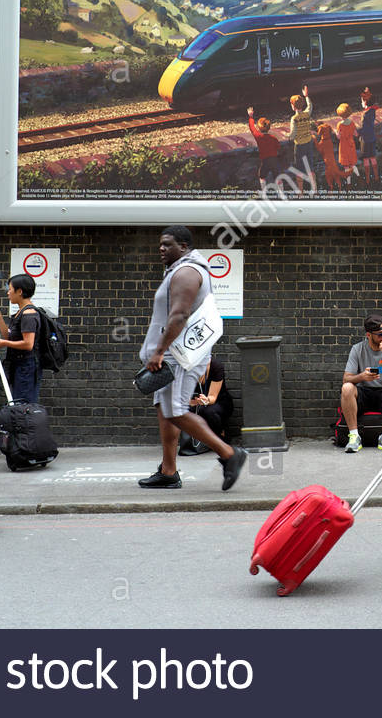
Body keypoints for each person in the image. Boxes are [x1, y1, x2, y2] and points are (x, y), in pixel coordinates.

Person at [138, 225, 247, 490]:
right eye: (160, 244)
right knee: (165, 411)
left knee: (175, 411)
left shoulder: (188, 272)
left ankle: (230, 454)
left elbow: (179, 315)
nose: (161, 249)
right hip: (170, 356)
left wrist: (160, 351)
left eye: (167, 244)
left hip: (176, 356)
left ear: (184, 247)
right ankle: (168, 471)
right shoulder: (178, 271)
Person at [340, 314, 382, 453]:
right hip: (364, 393)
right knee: (347, 388)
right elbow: (346, 378)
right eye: (381, 334)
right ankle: (354, 436)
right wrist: (362, 377)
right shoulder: (358, 349)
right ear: (369, 335)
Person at [0, 274, 41, 404]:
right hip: (19, 365)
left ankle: (23, 425)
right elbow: (9, 337)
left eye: (10, 289)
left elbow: (28, 344)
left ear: (20, 291)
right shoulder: (20, 312)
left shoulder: (29, 314)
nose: (8, 293)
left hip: (25, 367)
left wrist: (3, 343)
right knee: (18, 403)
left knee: (23, 406)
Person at [178, 354, 234, 456]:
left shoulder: (215, 366)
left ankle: (220, 436)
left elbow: (213, 397)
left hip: (219, 403)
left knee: (208, 411)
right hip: (196, 403)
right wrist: (192, 402)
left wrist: (206, 400)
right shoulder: (187, 368)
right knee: (182, 412)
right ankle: (200, 442)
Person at [246, 107, 286, 186]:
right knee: (278, 177)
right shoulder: (273, 138)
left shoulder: (258, 137)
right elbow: (278, 147)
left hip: (265, 161)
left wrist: (251, 116)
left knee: (262, 176)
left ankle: (264, 191)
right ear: (269, 127)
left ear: (259, 128)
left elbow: (252, 128)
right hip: (274, 160)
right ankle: (281, 193)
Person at [286, 85, 317, 176]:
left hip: (300, 145)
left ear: (293, 106)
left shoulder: (294, 118)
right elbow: (310, 106)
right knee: (310, 164)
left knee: (300, 166)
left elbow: (293, 133)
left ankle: (301, 187)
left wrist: (288, 137)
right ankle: (313, 184)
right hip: (309, 142)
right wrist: (306, 96)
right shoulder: (307, 114)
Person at [358, 88, 380, 188]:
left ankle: (367, 180)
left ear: (365, 102)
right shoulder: (372, 110)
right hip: (372, 137)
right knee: (373, 158)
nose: (361, 103)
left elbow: (363, 128)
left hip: (365, 139)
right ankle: (376, 178)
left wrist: (357, 133)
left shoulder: (365, 114)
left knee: (366, 159)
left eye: (362, 101)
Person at [336, 102, 359, 184]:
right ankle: (358, 175)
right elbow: (356, 134)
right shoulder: (352, 123)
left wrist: (337, 134)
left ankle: (348, 181)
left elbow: (338, 137)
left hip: (343, 145)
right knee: (352, 163)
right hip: (351, 144)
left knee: (346, 165)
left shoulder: (339, 125)